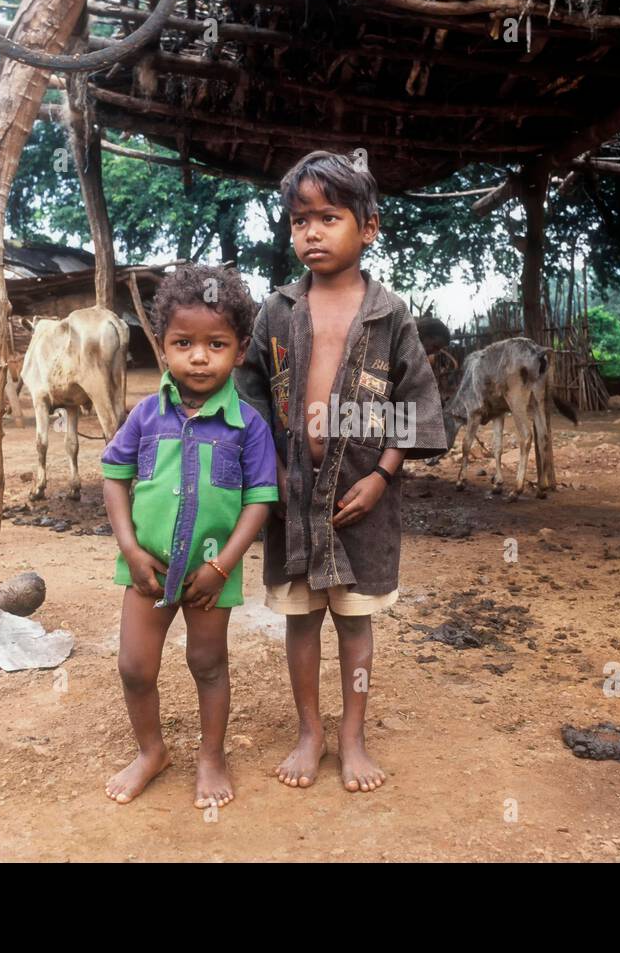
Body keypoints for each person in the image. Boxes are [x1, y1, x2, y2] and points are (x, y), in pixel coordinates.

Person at [235, 150, 449, 793]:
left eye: (329, 217)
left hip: (364, 500)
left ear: (370, 227)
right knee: (300, 620)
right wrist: (266, 467)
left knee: (355, 623)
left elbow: (418, 405)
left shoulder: (390, 315)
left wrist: (382, 475)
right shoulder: (276, 311)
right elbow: (246, 394)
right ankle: (310, 733)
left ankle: (352, 738)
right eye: (300, 220)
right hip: (292, 497)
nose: (312, 233)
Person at [101, 264, 279, 809]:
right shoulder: (144, 416)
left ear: (240, 349)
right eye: (183, 343)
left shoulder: (248, 425)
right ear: (162, 346)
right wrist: (130, 549)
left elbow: (261, 500)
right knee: (134, 666)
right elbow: (113, 476)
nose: (199, 356)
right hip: (147, 570)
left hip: (211, 574)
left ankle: (211, 756)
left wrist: (223, 564)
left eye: (215, 344)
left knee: (208, 664)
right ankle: (151, 752)